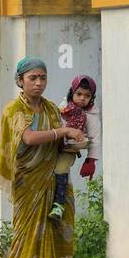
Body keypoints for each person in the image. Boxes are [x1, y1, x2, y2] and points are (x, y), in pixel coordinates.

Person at [0, 57, 82, 258]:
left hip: (56, 185)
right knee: (24, 243)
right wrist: (63, 131)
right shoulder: (14, 110)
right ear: (20, 81)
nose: (38, 83)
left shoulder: (52, 110)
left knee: (59, 244)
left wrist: (75, 143)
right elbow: (29, 138)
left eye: (42, 78)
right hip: (28, 185)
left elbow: (57, 143)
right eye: (33, 78)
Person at [50, 74, 101, 220]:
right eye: (78, 94)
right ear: (72, 92)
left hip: (69, 150)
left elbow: (95, 140)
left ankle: (58, 205)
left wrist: (90, 161)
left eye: (87, 95)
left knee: (61, 169)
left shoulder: (91, 116)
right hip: (52, 145)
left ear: (92, 97)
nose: (82, 98)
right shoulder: (63, 108)